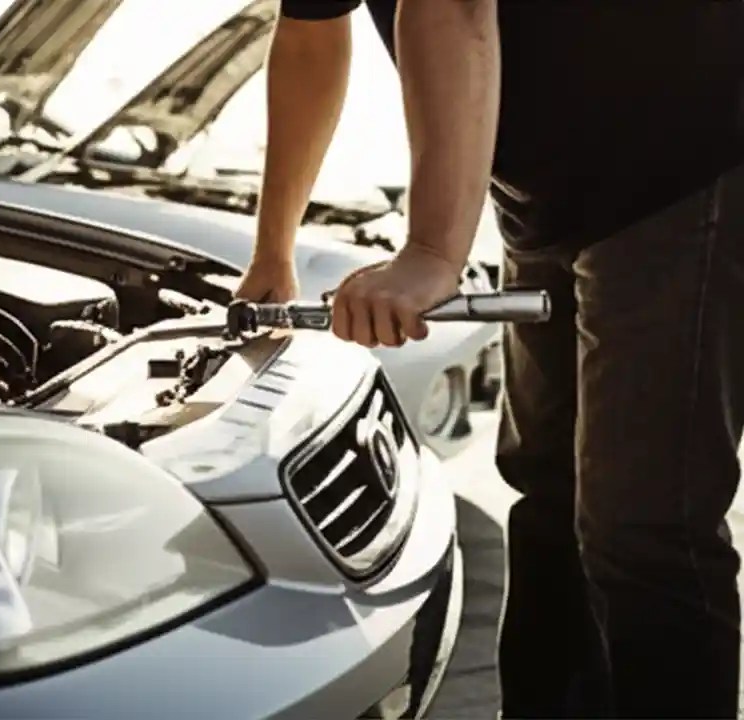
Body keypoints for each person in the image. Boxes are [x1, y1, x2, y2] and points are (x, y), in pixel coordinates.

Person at [235, 0, 744, 717]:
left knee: (643, 525)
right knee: (549, 494)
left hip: (685, 155)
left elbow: (452, 8)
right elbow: (313, 36)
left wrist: (433, 253)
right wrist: (272, 251)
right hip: (548, 193)